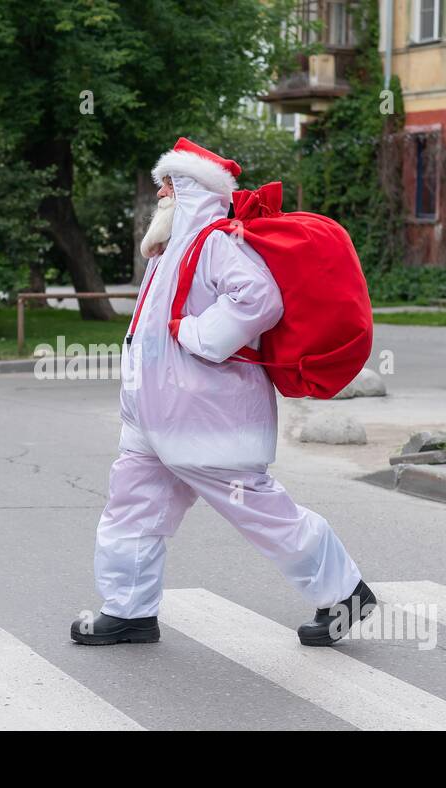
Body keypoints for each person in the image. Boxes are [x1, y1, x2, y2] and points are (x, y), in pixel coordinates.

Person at [71, 138, 375, 647]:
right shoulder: (171, 251)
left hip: (206, 417)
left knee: (258, 510)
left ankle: (346, 592)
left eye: (168, 186)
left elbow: (258, 298)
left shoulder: (214, 241)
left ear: (190, 189)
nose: (160, 196)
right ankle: (128, 611)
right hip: (154, 417)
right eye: (160, 186)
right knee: (132, 507)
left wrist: (199, 337)